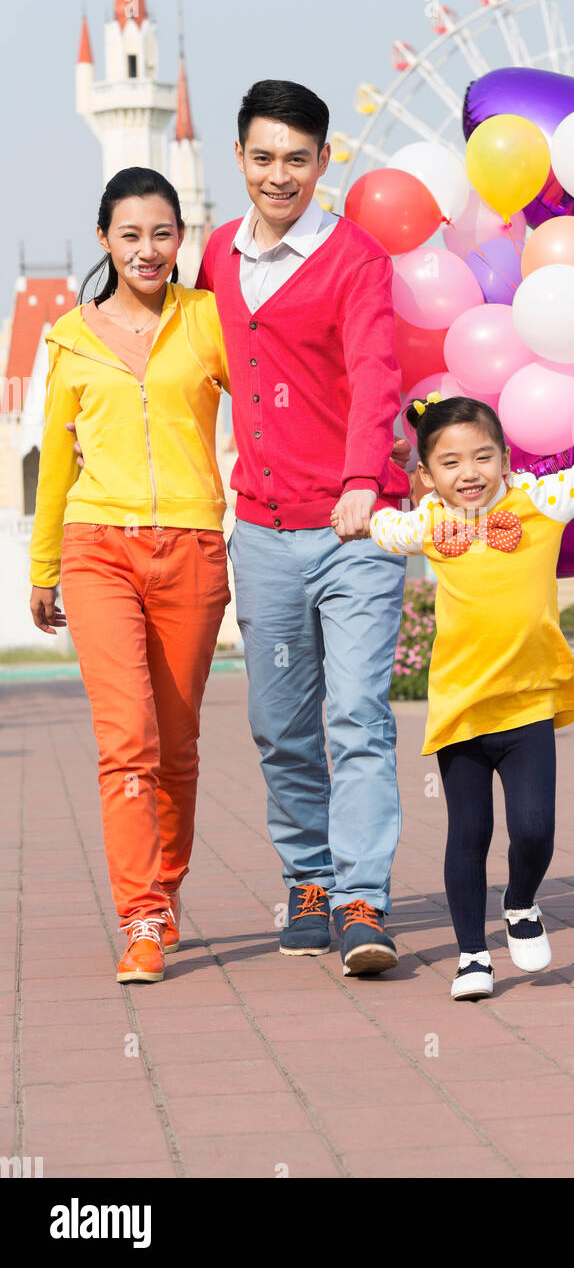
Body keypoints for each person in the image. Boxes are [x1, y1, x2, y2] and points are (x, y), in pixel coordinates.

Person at [367, 391, 574, 1000]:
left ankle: (520, 902)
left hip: (528, 703)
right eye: (450, 463)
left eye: (482, 457)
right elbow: (383, 527)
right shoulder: (428, 524)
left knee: (534, 830)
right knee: (467, 834)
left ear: (503, 458)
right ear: (429, 474)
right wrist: (372, 498)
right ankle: (472, 955)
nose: (469, 473)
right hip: (463, 707)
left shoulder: (541, 500)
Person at [195, 80, 410, 977]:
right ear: (239, 160)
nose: (278, 175)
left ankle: (363, 898)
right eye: (262, 157)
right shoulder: (215, 254)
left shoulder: (357, 260)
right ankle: (308, 881)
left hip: (355, 530)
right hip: (263, 531)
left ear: (325, 162)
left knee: (358, 716)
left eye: (297, 158)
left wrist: (365, 479)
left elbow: (375, 375)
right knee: (281, 725)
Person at [28, 167, 233, 983]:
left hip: (191, 545)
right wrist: (44, 564)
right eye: (130, 235)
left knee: (177, 747)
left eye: (162, 233)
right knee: (128, 742)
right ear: (106, 241)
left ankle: (167, 889)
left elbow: (264, 407)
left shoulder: (212, 322)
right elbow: (54, 464)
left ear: (180, 237)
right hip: (97, 546)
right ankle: (141, 915)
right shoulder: (70, 339)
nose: (147, 250)